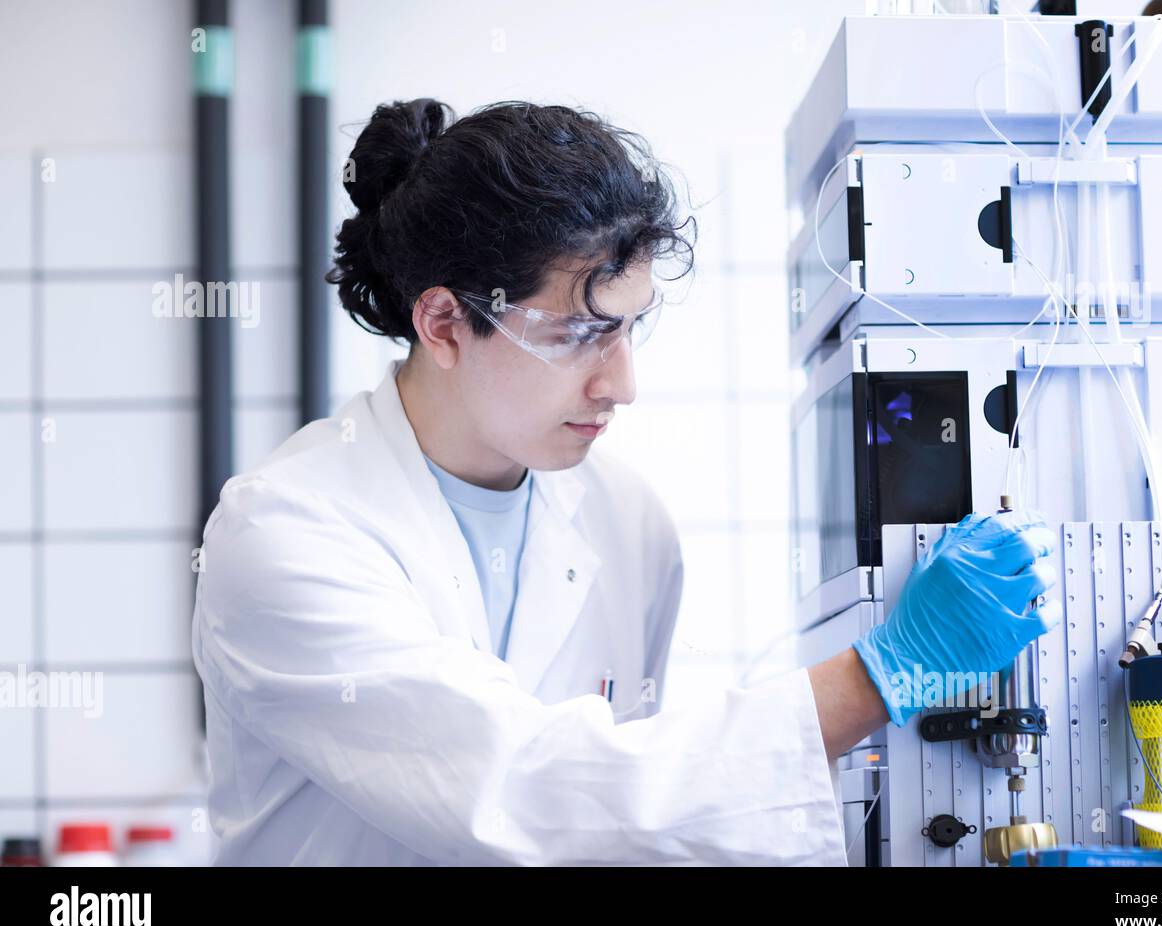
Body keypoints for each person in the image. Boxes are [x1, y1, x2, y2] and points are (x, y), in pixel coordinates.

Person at [191, 98, 1059, 865]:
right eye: (578, 334)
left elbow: (631, 829)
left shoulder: (625, 521)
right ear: (447, 321)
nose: (621, 384)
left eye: (630, 330)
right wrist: (884, 675)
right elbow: (525, 790)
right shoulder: (287, 531)